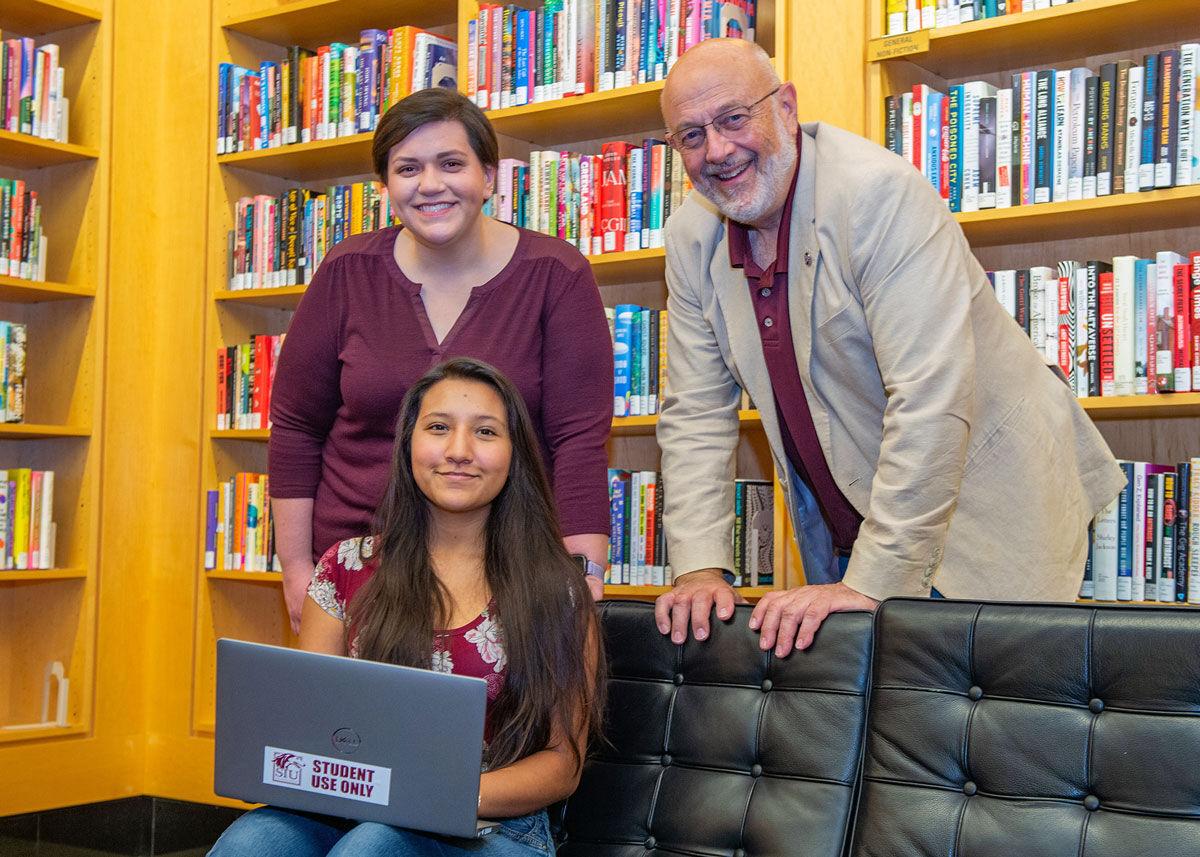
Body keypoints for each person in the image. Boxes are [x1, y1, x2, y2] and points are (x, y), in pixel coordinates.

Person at [652, 38, 1125, 656]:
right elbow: (694, 414)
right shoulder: (691, 238)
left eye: (734, 119)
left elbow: (930, 398)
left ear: (787, 107)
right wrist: (699, 567)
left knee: (991, 737)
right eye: (690, 136)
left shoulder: (878, 195)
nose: (717, 150)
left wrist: (872, 583)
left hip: (992, 508)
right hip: (864, 525)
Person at [210, 358, 605, 856]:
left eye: (485, 432)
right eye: (438, 427)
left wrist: (429, 801)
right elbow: (312, 732)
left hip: (495, 822)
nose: (459, 451)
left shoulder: (559, 591)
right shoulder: (344, 567)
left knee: (375, 847)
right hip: (346, 809)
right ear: (409, 445)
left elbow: (562, 764)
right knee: (254, 841)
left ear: (514, 454)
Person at [269, 88, 613, 632]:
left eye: (451, 163)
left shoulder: (557, 276)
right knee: (355, 719)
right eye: (408, 168)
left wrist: (584, 574)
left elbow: (579, 440)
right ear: (386, 187)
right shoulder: (345, 272)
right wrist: (295, 568)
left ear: (489, 176)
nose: (430, 184)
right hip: (358, 571)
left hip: (509, 568)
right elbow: (295, 426)